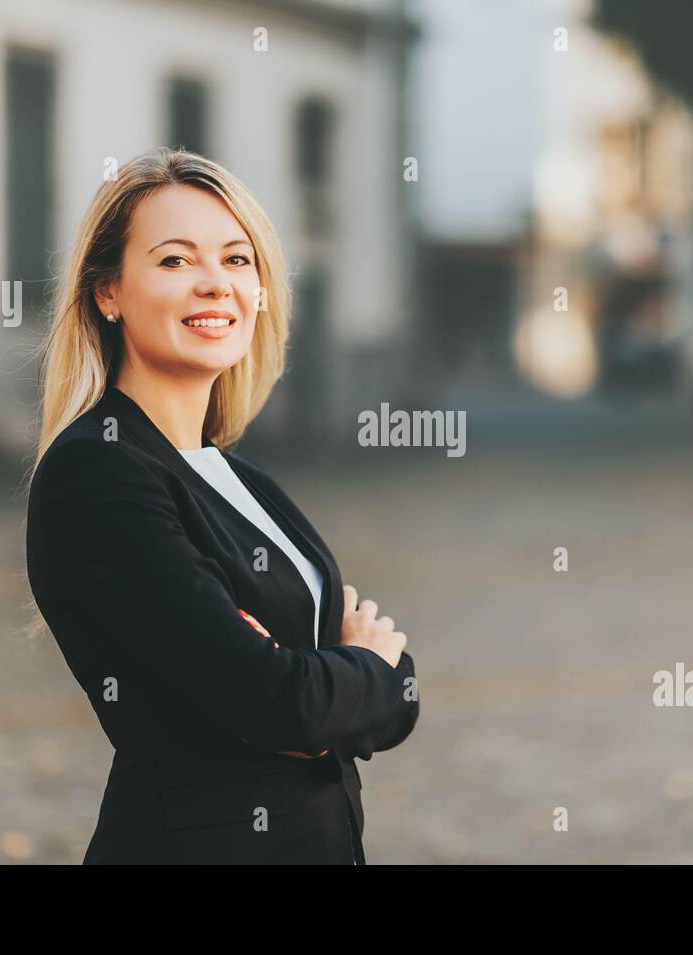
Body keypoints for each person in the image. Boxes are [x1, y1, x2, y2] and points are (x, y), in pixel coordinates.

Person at [23, 148, 419, 863]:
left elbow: (393, 688)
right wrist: (358, 673)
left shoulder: (243, 481)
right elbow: (274, 701)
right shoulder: (96, 472)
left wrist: (337, 682)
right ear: (107, 291)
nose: (215, 284)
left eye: (238, 260)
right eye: (175, 261)